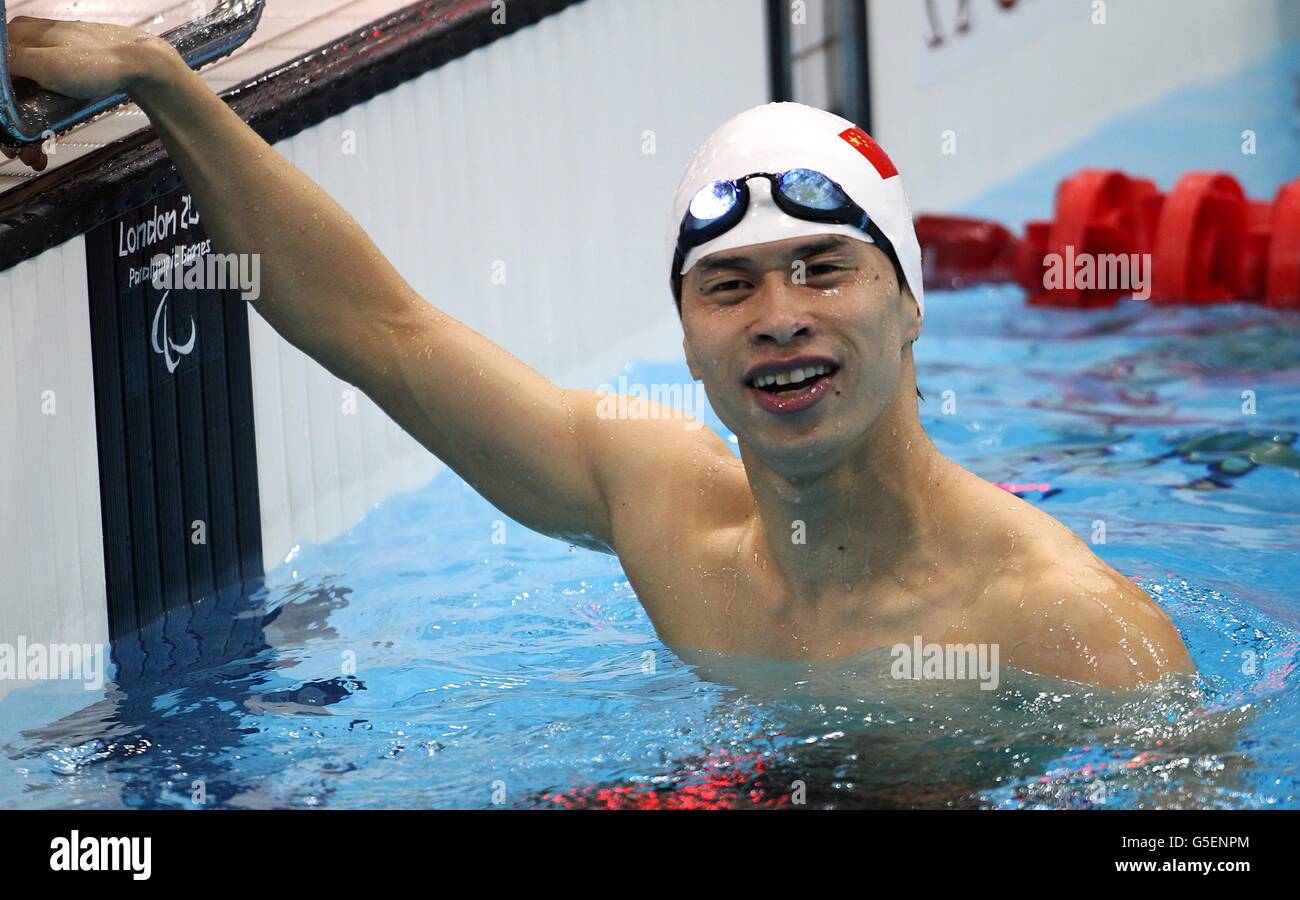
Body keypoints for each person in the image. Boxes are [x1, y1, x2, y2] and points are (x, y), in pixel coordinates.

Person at [3, 16, 1192, 690]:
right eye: (727, 286)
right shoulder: (662, 510)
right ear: (684, 340)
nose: (777, 315)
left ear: (911, 306)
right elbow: (380, 334)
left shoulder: (1070, 625)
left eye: (824, 270)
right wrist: (161, 83)